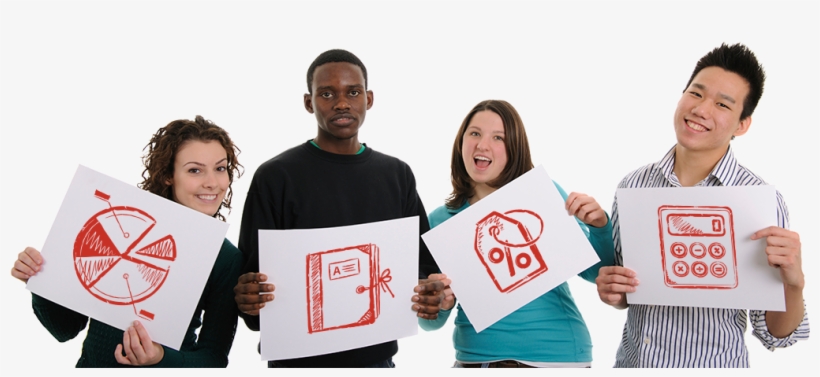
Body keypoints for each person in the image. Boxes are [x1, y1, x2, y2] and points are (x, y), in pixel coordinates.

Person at [595, 43, 810, 367]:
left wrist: (795, 284)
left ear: (742, 124)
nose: (701, 109)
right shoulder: (633, 186)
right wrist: (614, 291)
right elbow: (630, 291)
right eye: (696, 94)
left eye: (722, 104)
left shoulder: (758, 199)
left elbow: (775, 334)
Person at [232, 49, 446, 368]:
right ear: (309, 103)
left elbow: (425, 267)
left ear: (369, 99)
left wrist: (431, 294)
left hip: (376, 362)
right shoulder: (275, 177)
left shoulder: (396, 175)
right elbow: (250, 281)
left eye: (353, 92)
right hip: (296, 363)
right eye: (327, 93)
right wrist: (247, 299)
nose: (342, 103)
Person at [10, 116, 244, 367]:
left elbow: (214, 358)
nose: (212, 182)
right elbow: (64, 329)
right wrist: (40, 282)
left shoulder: (226, 258)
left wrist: (160, 358)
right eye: (195, 170)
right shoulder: (118, 227)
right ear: (167, 175)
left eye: (220, 168)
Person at [419, 99, 615, 368]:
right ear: (461, 142)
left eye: (498, 137)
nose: (482, 145)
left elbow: (597, 274)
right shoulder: (440, 221)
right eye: (474, 133)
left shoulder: (541, 194)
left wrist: (600, 226)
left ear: (515, 148)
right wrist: (438, 302)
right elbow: (430, 323)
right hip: (476, 361)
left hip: (556, 358)